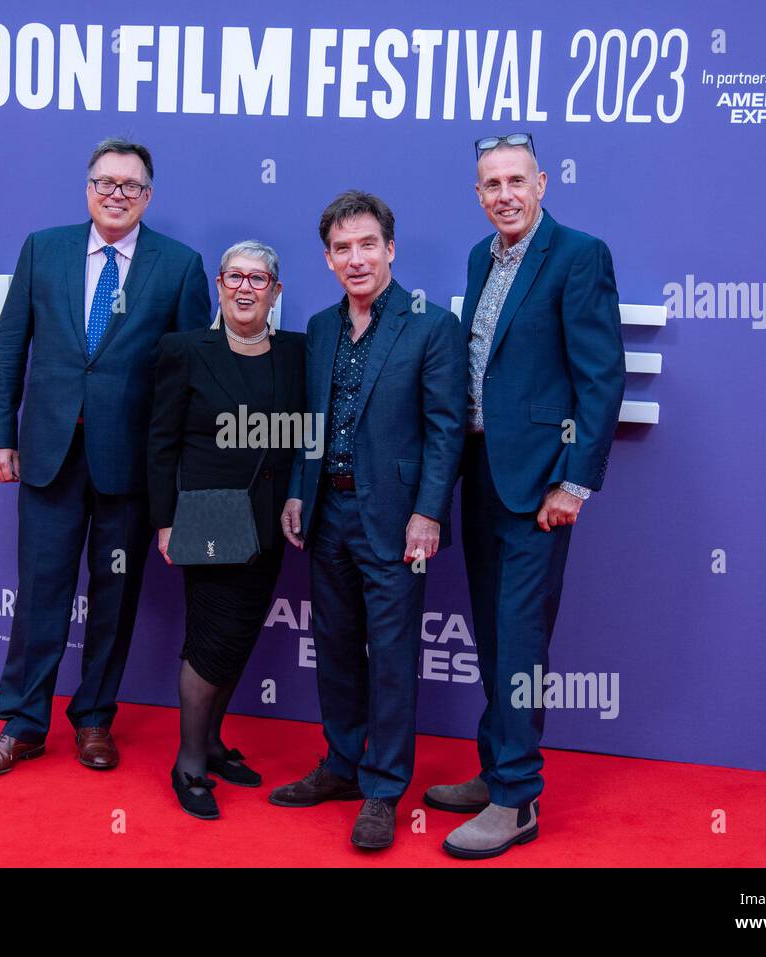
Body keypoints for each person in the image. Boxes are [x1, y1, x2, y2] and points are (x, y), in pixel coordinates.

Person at [0, 138, 211, 778]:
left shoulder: (179, 265)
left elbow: (190, 377)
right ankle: (21, 725)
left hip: (129, 468)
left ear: (148, 196)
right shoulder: (43, 249)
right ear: (88, 189)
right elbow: (9, 345)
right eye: (105, 182)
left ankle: (96, 719)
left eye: (130, 186)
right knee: (40, 593)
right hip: (48, 456)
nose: (116, 194)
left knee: (115, 597)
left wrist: (181, 473)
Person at [426, 133, 625, 859]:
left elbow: (602, 377)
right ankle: (495, 768)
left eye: (516, 179)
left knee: (520, 643)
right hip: (479, 475)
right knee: (492, 635)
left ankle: (516, 799)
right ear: (477, 195)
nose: (504, 193)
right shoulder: (484, 257)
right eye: (490, 184)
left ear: (542, 182)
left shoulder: (579, 255)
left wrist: (574, 482)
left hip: (540, 485)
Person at [273, 191, 466, 850]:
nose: (354, 258)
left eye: (366, 245)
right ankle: (341, 765)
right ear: (327, 259)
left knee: (389, 656)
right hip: (328, 512)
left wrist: (428, 513)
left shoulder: (431, 326)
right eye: (341, 248)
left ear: (390, 248)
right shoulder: (322, 328)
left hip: (396, 519)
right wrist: (300, 491)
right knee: (333, 648)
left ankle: (383, 787)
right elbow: (311, 421)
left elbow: (446, 432)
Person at [148, 241, 307, 820]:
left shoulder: (295, 352)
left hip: (268, 518)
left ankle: (213, 744)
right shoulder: (185, 350)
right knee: (212, 635)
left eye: (258, 279)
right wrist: (164, 521)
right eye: (235, 277)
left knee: (239, 635)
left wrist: (295, 495)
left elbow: (300, 436)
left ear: (276, 290)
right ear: (218, 284)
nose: (245, 288)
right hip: (208, 512)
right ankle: (188, 762)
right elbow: (161, 442)